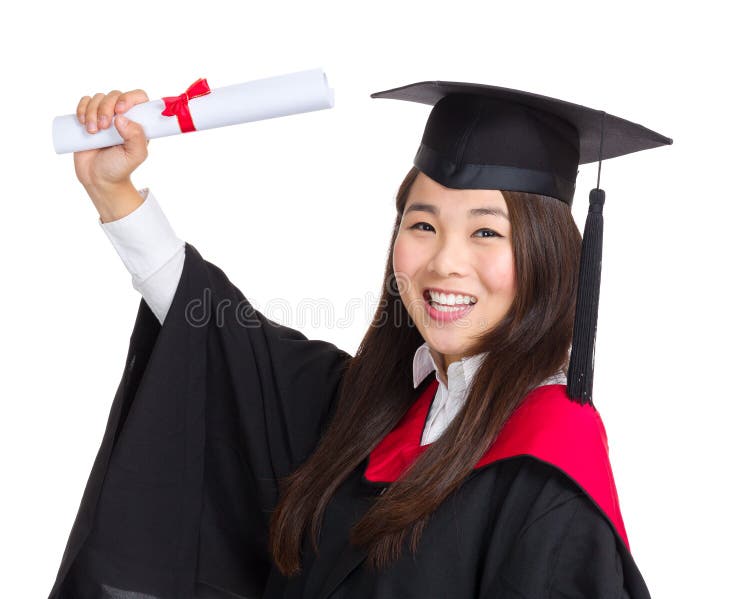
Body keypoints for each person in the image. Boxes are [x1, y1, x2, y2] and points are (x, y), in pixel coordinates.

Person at [48, 82, 670, 599]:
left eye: (486, 233)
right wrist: (114, 193)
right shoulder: (375, 410)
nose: (445, 263)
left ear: (547, 255)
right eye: (422, 224)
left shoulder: (549, 474)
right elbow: (227, 350)